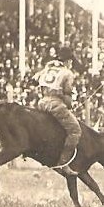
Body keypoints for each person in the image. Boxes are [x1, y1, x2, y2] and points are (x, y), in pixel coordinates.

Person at [32, 45, 81, 175]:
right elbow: (67, 93)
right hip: (55, 104)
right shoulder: (68, 73)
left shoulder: (47, 68)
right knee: (75, 131)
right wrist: (70, 105)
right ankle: (63, 163)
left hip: (42, 102)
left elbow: (34, 79)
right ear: (68, 61)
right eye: (71, 61)